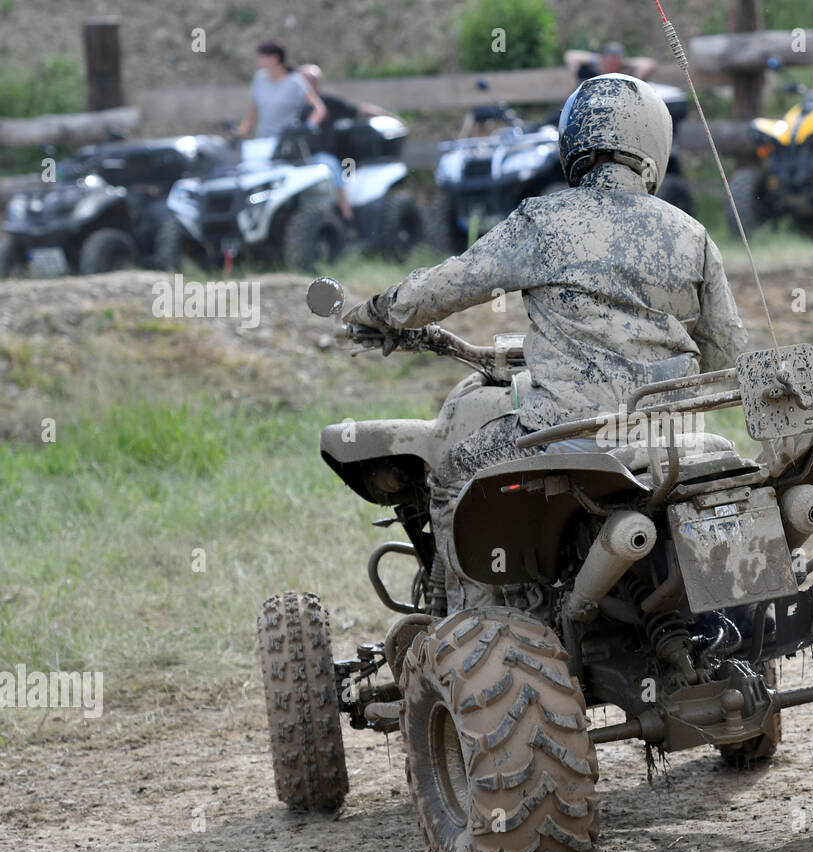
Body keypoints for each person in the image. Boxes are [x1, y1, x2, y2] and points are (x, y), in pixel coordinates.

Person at [342, 74, 748, 609]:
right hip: (670, 437)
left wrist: (380, 312)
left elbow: (449, 284)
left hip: (566, 436)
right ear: (655, 142)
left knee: (449, 478)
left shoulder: (544, 221)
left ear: (573, 143)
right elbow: (729, 356)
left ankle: (462, 630)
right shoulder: (692, 234)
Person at [296, 64, 395, 229]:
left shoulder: (328, 103)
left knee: (333, 170)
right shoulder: (292, 107)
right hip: (296, 157)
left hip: (323, 156)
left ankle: (347, 218)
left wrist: (391, 117)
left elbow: (360, 110)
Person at [237, 39, 327, 140]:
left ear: (275, 58)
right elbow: (254, 108)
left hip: (287, 142)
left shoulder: (295, 81)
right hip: (263, 140)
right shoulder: (259, 78)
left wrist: (307, 127)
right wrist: (242, 131)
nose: (258, 59)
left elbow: (319, 109)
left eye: (262, 56)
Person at [564, 42, 655, 83]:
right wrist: (597, 59)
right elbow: (570, 56)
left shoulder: (625, 78)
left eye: (615, 63)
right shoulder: (589, 72)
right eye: (609, 62)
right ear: (603, 59)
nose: (612, 66)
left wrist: (624, 63)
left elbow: (648, 64)